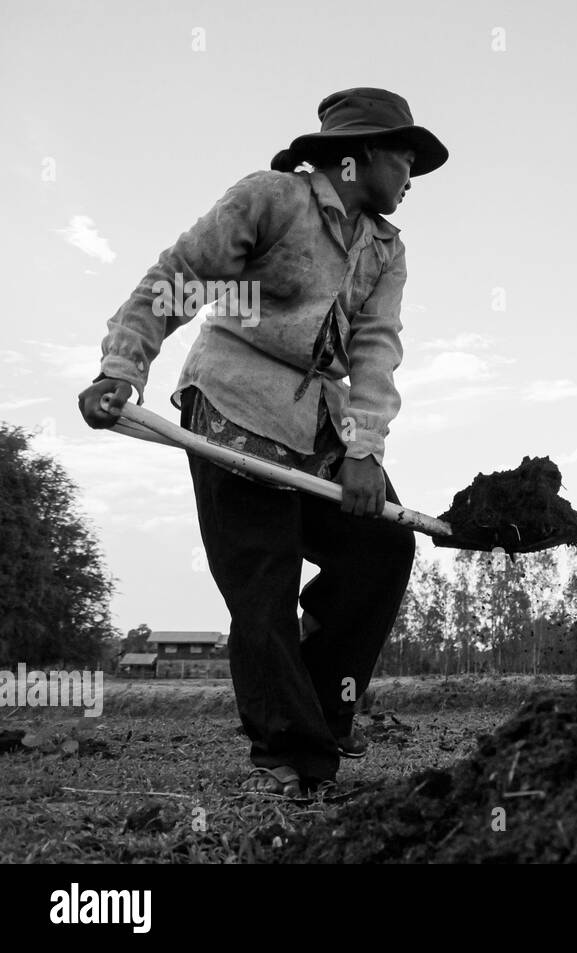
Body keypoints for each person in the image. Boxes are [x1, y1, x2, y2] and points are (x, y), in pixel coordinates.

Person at [77, 88, 449, 797]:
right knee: (263, 586)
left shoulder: (385, 249)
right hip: (231, 405)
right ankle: (291, 752)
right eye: (403, 153)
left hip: (318, 422)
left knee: (379, 549)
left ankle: (318, 704)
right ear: (361, 152)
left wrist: (365, 449)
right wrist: (121, 368)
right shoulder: (272, 200)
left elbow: (376, 349)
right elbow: (177, 280)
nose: (411, 171)